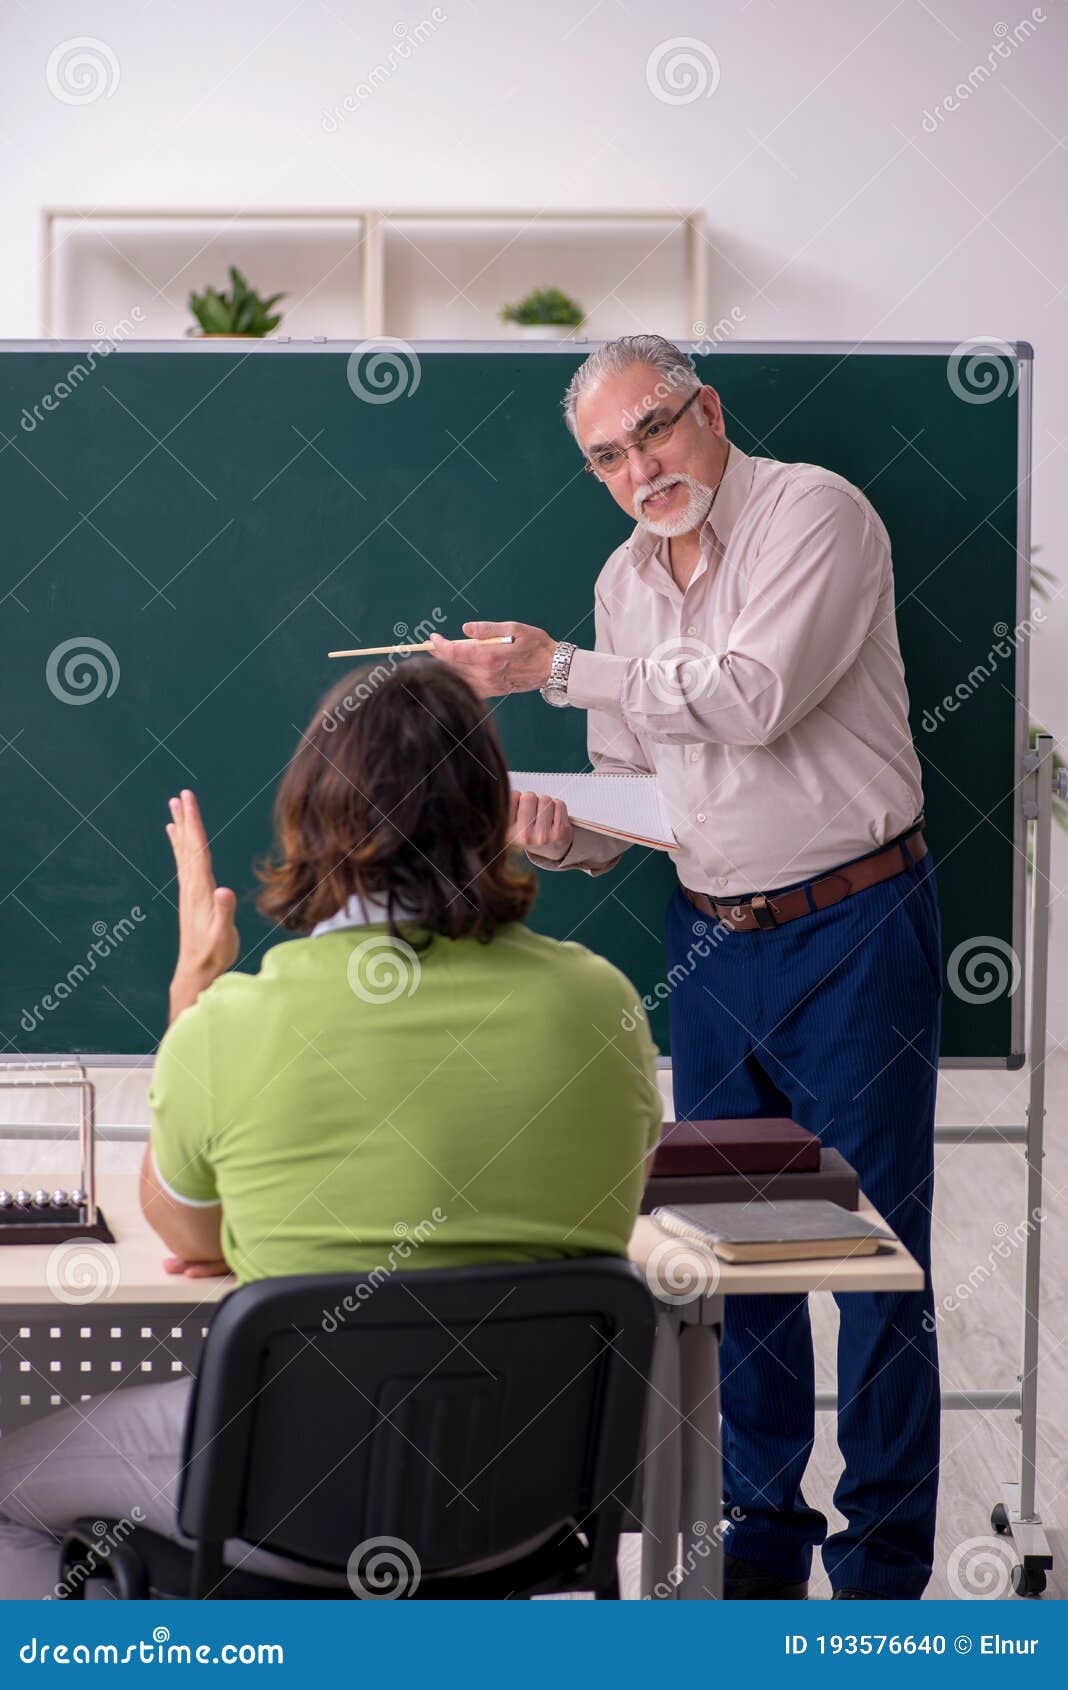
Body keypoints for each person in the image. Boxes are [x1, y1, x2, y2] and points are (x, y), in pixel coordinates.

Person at [431, 333, 942, 1601]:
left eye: (652, 431)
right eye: (608, 457)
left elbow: (754, 694)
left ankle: (882, 1574)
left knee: (882, 1265)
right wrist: (561, 828)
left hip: (856, 921)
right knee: (734, 1262)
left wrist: (551, 669)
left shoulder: (817, 511)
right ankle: (758, 1556)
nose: (638, 468)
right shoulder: (622, 581)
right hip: (713, 937)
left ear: (707, 409)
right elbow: (636, 792)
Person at [0, 658, 663, 1598]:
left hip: (285, 1502)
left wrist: (193, 995)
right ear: (495, 811)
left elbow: (186, 1233)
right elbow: (612, 1201)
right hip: (527, 1506)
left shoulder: (236, 1022)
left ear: (312, 816)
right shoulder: (604, 1005)